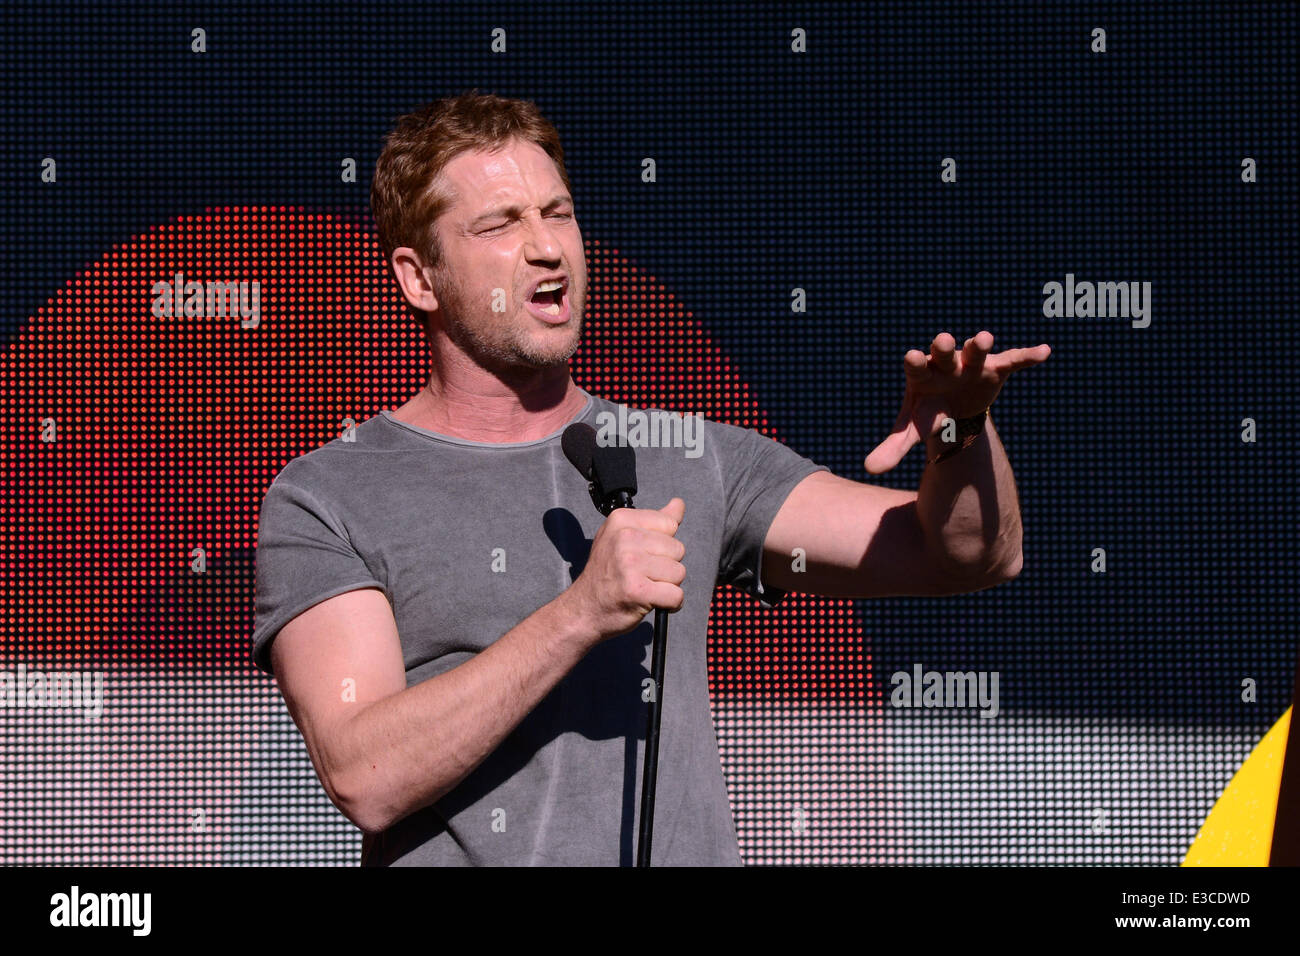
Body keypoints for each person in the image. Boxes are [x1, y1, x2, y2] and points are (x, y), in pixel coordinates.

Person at [249, 90, 1051, 866]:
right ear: (419, 278)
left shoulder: (690, 455)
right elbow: (366, 775)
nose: (547, 246)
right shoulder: (331, 495)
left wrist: (961, 434)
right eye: (499, 223)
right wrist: (579, 614)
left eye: (558, 212)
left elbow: (965, 555)